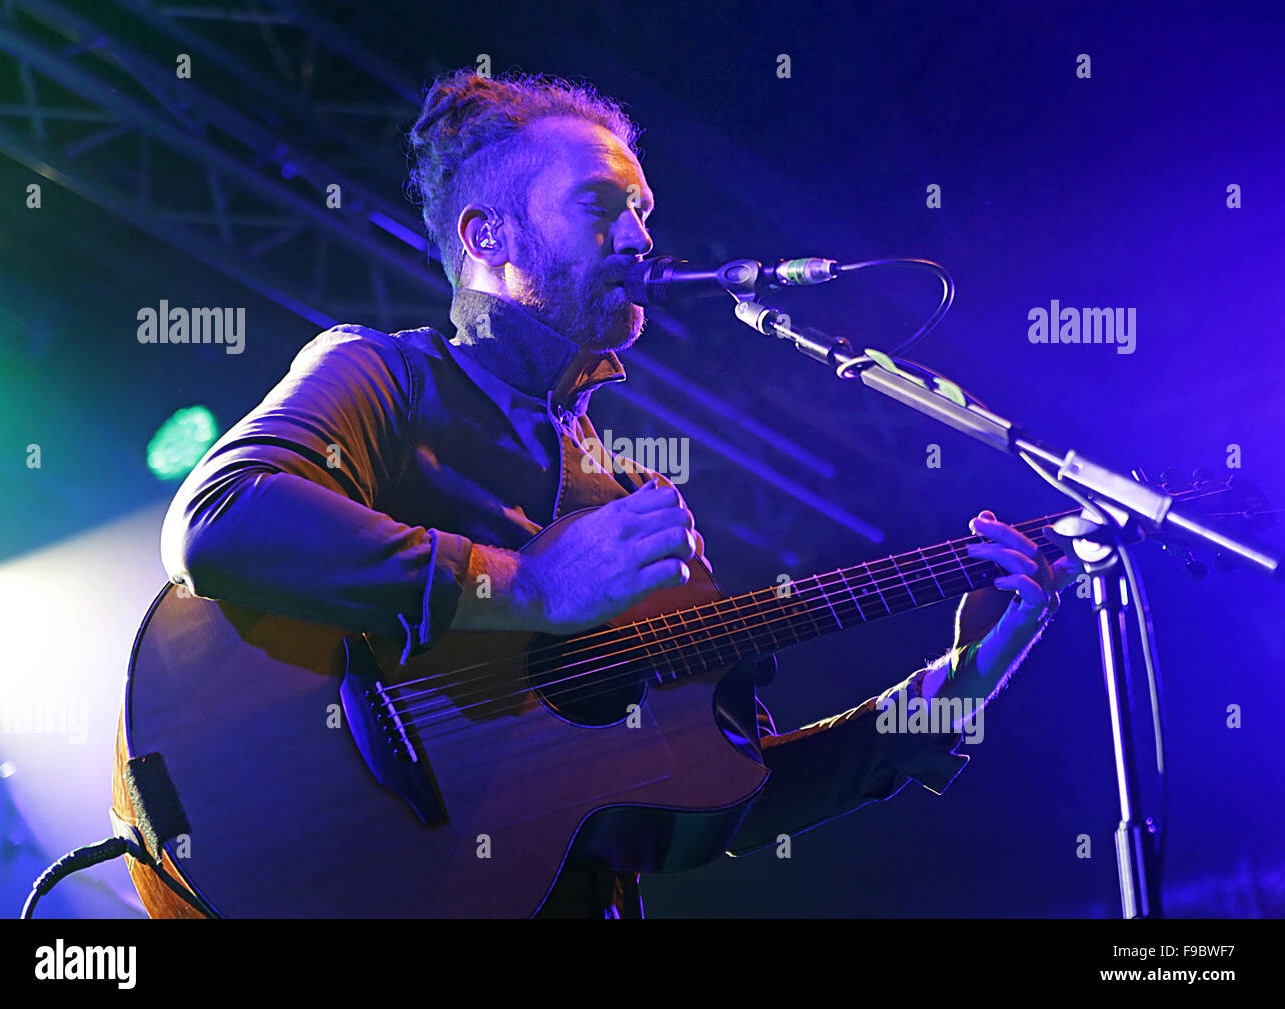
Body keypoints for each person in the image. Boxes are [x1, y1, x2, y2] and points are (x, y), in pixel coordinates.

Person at [161, 69, 1077, 918]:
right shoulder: (388, 375)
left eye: (643, 210)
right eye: (603, 206)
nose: (641, 238)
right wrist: (524, 589)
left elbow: (728, 798)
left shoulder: (636, 502)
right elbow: (219, 521)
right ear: (490, 236)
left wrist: (961, 686)